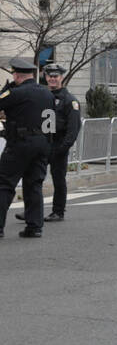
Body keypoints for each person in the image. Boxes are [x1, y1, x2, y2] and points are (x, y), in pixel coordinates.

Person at [0, 58, 55, 239]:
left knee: (5, 184)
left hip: (20, 143)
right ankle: (35, 227)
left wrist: (6, 90)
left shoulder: (16, 93)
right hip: (42, 143)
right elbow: (51, 123)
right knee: (34, 185)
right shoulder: (48, 94)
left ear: (16, 75)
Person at [28, 64, 80, 224]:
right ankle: (31, 211)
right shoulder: (42, 96)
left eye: (55, 76)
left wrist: (63, 147)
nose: (52, 79)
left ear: (61, 78)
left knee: (58, 179)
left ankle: (58, 211)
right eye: (49, 76)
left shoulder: (69, 100)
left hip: (58, 144)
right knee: (34, 178)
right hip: (42, 142)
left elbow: (73, 128)